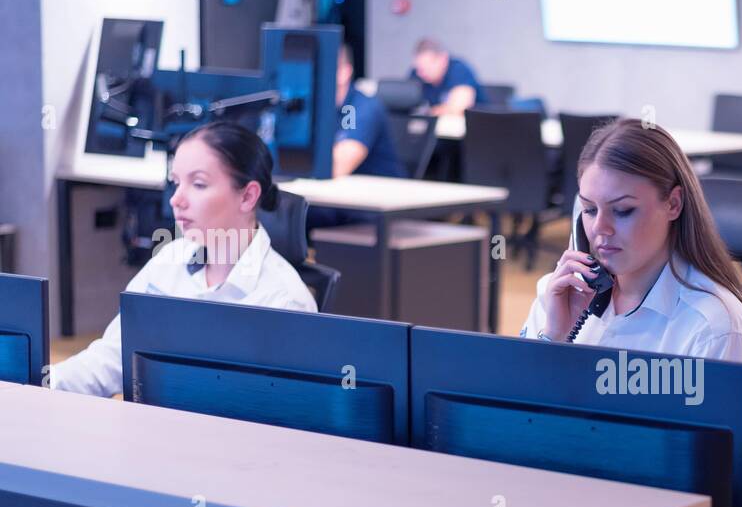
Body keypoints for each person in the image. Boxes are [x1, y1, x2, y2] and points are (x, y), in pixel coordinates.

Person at [519, 118, 742, 495]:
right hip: (565, 496)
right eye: (588, 210)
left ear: (673, 203)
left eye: (622, 211)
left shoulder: (714, 328)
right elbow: (515, 426)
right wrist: (554, 338)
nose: (600, 230)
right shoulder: (561, 294)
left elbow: (720, 484)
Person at [51, 121, 317, 398]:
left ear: (248, 196)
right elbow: (111, 359)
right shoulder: (169, 260)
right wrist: (44, 380)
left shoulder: (285, 301)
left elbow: (289, 415)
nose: (176, 200)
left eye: (198, 184)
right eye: (176, 183)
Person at [333, 43, 406, 179]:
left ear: (344, 73)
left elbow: (338, 166)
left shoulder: (361, 107)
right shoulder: (324, 108)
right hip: (344, 193)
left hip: (385, 194)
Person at [409, 38, 482, 115]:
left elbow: (459, 109)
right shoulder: (417, 74)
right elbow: (405, 104)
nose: (421, 74)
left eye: (428, 68)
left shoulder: (459, 70)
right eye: (419, 69)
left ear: (443, 59)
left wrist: (428, 112)